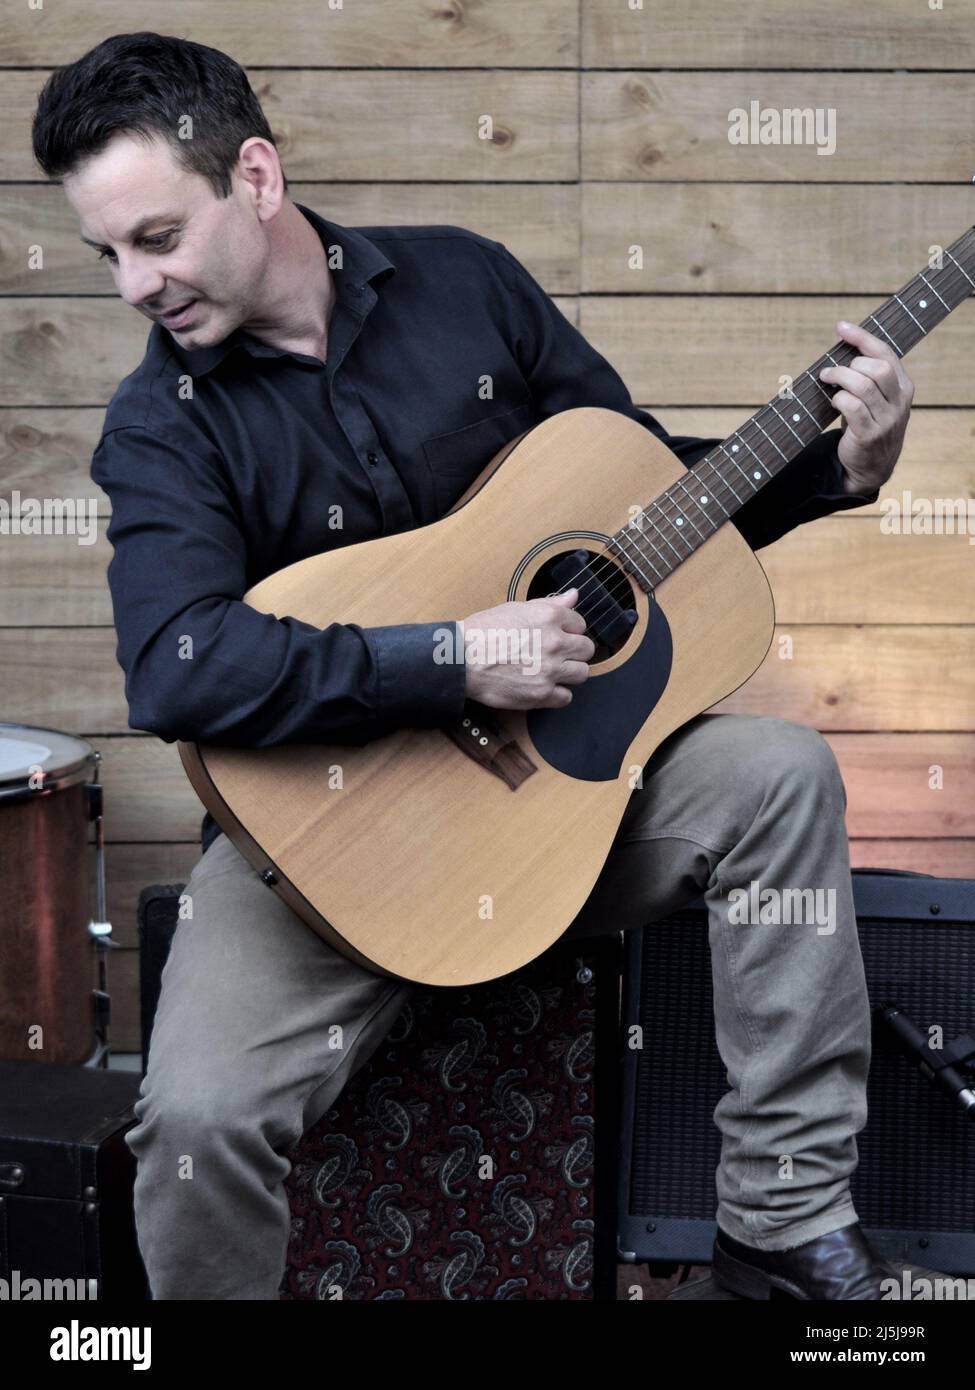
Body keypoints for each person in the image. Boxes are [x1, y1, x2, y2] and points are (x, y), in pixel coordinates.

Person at [33, 32, 926, 1301]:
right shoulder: (158, 426)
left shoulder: (468, 286)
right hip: (322, 848)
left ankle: (778, 1221)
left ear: (257, 177)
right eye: (106, 254)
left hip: (552, 810)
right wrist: (448, 658)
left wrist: (838, 470)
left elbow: (642, 511)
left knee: (779, 771)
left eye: (158, 237)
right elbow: (182, 668)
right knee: (194, 1124)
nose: (134, 284)